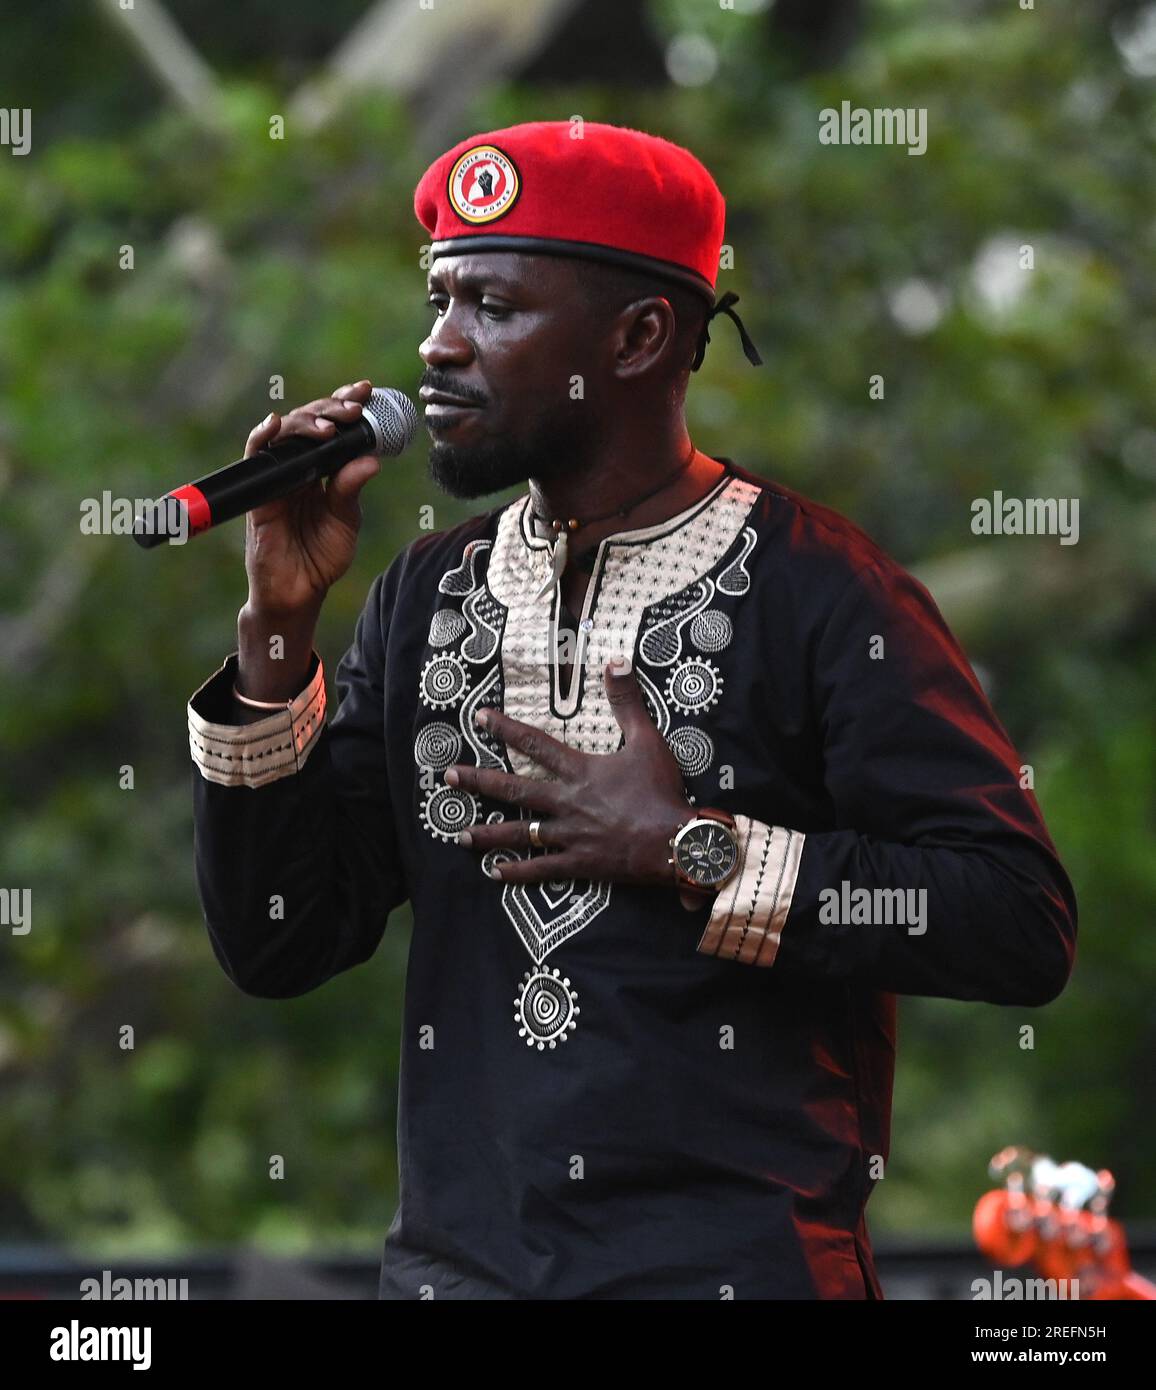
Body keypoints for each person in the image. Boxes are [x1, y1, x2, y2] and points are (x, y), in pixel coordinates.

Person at [186, 121, 1077, 1299]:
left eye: (491, 308)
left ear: (640, 335)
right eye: (439, 300)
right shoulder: (423, 594)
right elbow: (282, 938)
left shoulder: (821, 591)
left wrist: (691, 850)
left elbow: (1015, 921)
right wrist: (276, 635)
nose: (435, 347)